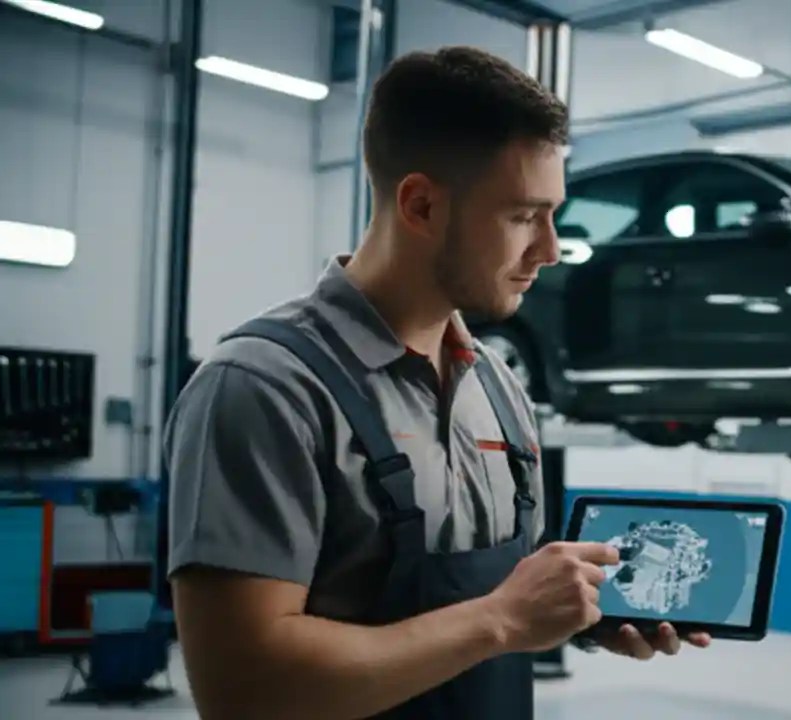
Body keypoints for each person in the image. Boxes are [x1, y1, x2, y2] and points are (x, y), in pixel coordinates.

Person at [164, 47, 709, 720]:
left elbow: (494, 605)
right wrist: (503, 620)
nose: (550, 249)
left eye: (553, 214)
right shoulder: (264, 390)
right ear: (420, 205)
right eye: (523, 216)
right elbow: (243, 693)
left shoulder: (498, 390)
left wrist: (570, 613)